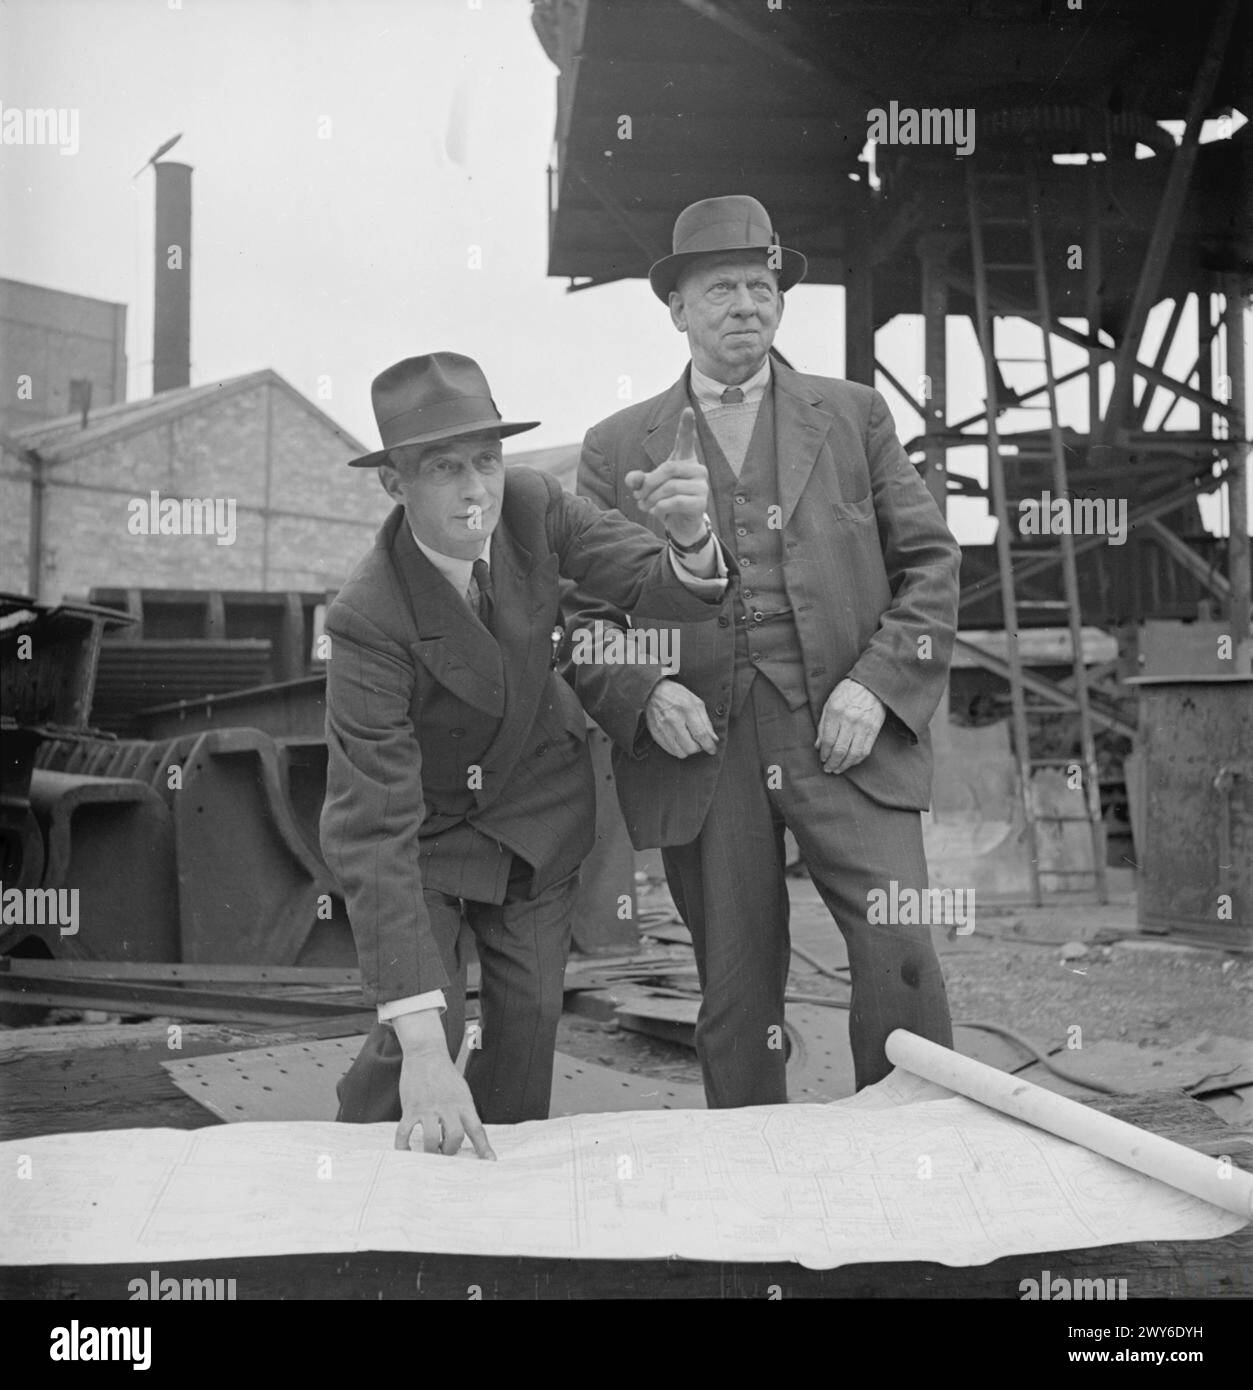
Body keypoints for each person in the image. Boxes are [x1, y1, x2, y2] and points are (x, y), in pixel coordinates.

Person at [564, 196, 962, 1107]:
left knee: (900, 949)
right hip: (703, 744)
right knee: (737, 986)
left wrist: (879, 685)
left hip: (845, 728)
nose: (747, 304)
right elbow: (581, 615)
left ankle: (923, 1158)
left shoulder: (854, 416)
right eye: (721, 289)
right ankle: (754, 1188)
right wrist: (642, 692)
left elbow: (932, 568)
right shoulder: (616, 445)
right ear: (676, 309)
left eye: (761, 285)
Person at [321, 351, 725, 1156]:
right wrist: (431, 1051)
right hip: (428, 837)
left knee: (528, 1028)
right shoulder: (367, 616)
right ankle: (358, 1190)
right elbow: (373, 825)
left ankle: (499, 1216)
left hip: (538, 817)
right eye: (442, 468)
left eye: (486, 459)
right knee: (415, 1037)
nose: (475, 489)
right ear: (394, 483)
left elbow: (655, 589)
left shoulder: (534, 506)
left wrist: (688, 535)